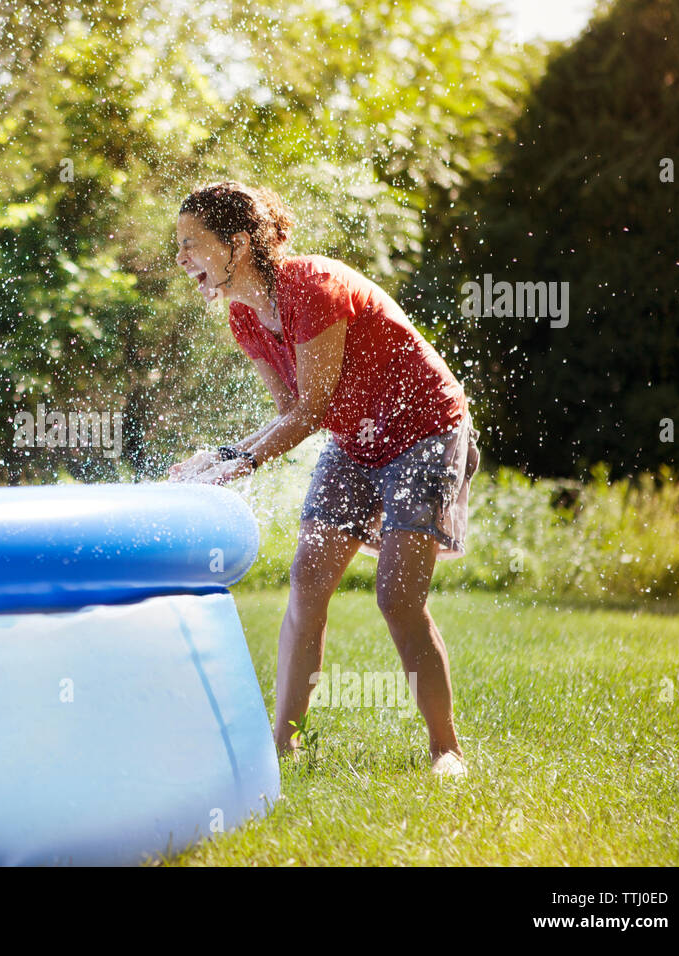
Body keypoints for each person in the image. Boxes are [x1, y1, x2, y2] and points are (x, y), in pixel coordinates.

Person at [168, 181, 479, 778]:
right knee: (307, 581)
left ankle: (446, 750)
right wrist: (224, 455)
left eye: (191, 243)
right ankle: (283, 747)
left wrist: (237, 465)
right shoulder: (244, 317)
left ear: (235, 244)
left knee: (397, 597)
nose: (181, 257)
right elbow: (291, 410)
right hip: (355, 441)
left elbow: (312, 407)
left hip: (426, 428)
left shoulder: (309, 285)